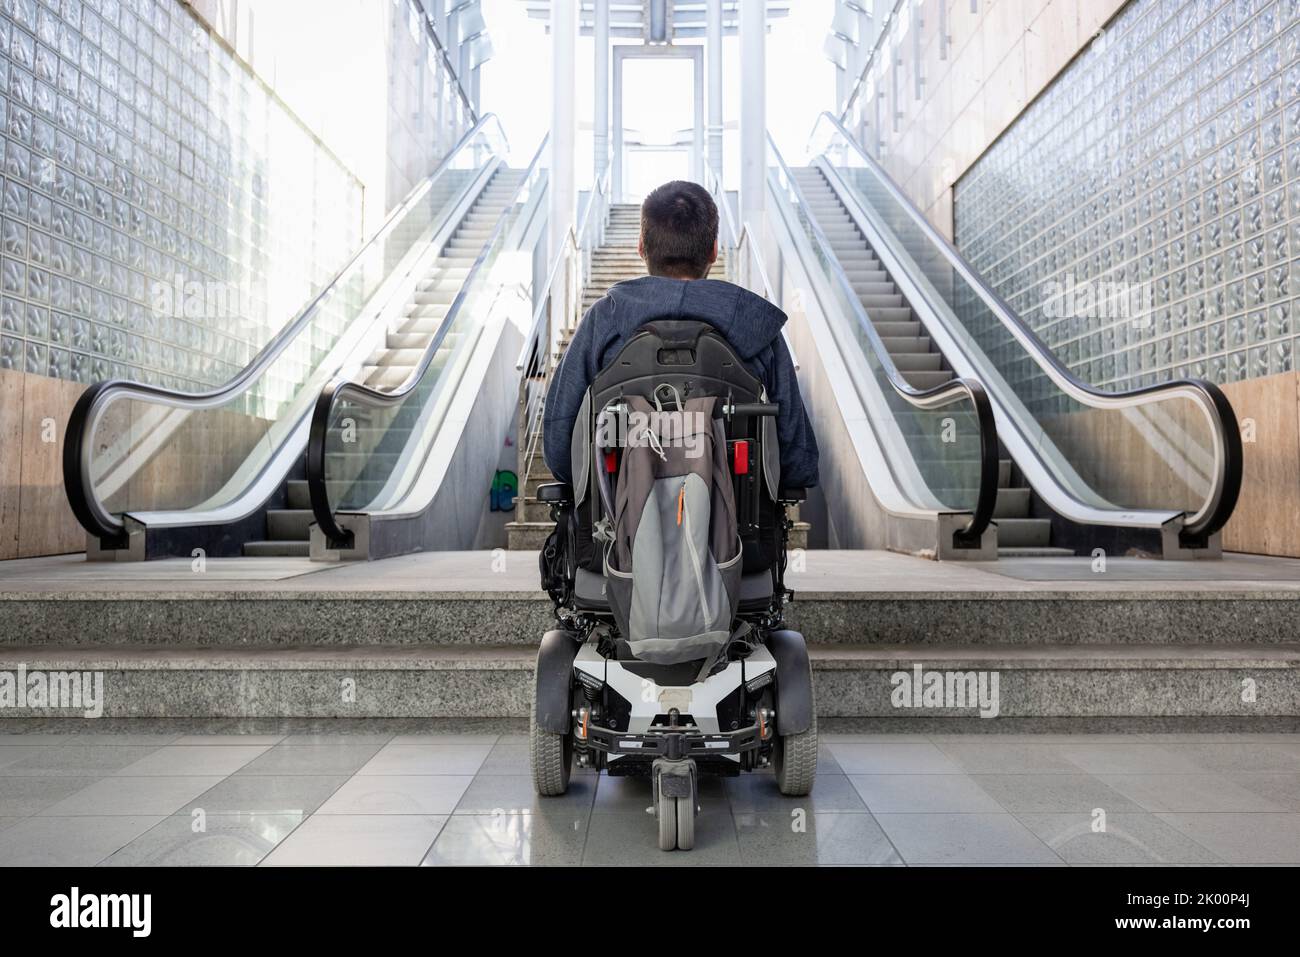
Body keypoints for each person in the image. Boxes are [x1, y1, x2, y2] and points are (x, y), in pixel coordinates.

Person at [542, 179, 819, 490]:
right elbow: (798, 461)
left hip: (617, 528)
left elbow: (558, 448)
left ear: (641, 247)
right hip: (742, 529)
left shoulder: (604, 320)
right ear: (714, 250)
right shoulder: (757, 325)